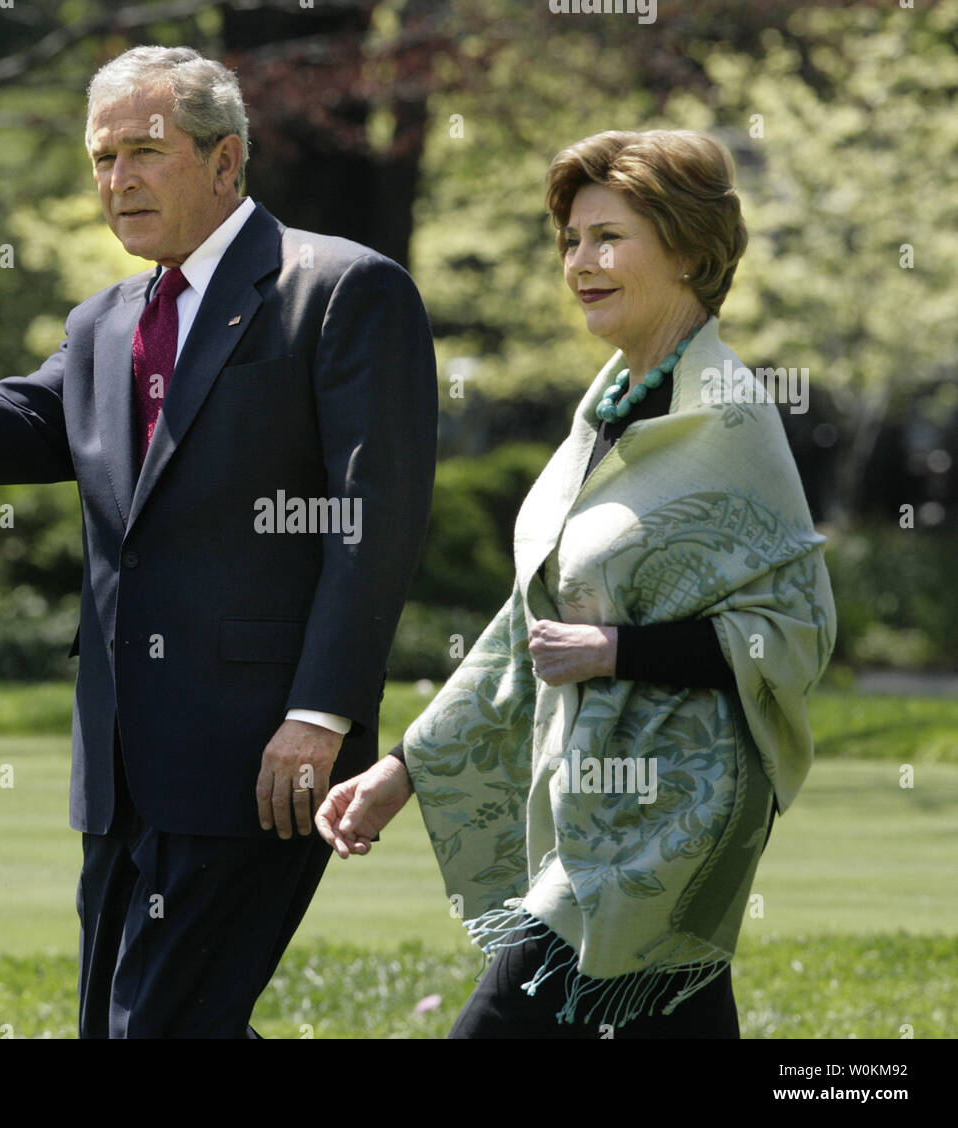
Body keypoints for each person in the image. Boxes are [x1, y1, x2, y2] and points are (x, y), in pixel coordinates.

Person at [0, 45, 438, 1038]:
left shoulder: (343, 290)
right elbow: (7, 437)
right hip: (123, 764)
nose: (118, 179)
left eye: (146, 150)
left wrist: (322, 712)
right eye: (102, 158)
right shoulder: (102, 322)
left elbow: (372, 521)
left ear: (226, 162)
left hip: (262, 754)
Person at [316, 129, 835, 1038]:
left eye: (608, 238)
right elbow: (529, 628)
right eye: (571, 241)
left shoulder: (730, 420)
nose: (580, 264)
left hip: (676, 812)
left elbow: (797, 631)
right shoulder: (606, 413)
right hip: (589, 802)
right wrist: (405, 766)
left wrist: (618, 650)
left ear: (687, 250)